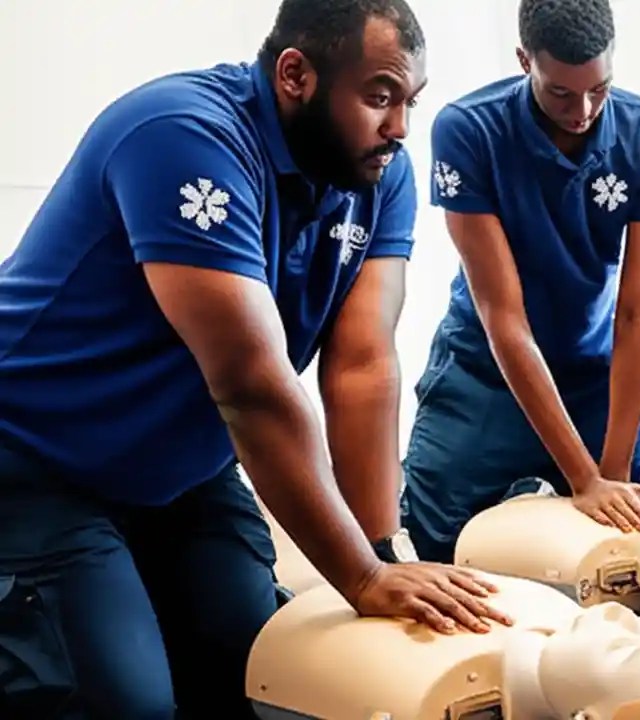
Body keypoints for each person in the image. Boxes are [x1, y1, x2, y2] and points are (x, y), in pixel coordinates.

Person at [0, 2, 512, 718]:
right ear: (296, 74)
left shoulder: (377, 176)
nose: (399, 127)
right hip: (35, 461)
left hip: (182, 467)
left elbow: (362, 367)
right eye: (379, 96)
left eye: (410, 102)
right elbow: (251, 388)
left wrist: (380, 558)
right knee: (127, 705)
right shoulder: (181, 135)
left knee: (260, 667)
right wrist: (360, 578)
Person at [400, 0, 640, 563]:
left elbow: (637, 313)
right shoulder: (468, 130)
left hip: (589, 372)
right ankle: (530, 492)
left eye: (599, 89)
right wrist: (583, 479)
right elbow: (503, 317)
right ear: (524, 60)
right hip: (483, 371)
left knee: (639, 551)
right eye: (561, 93)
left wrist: (612, 474)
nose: (583, 110)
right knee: (439, 545)